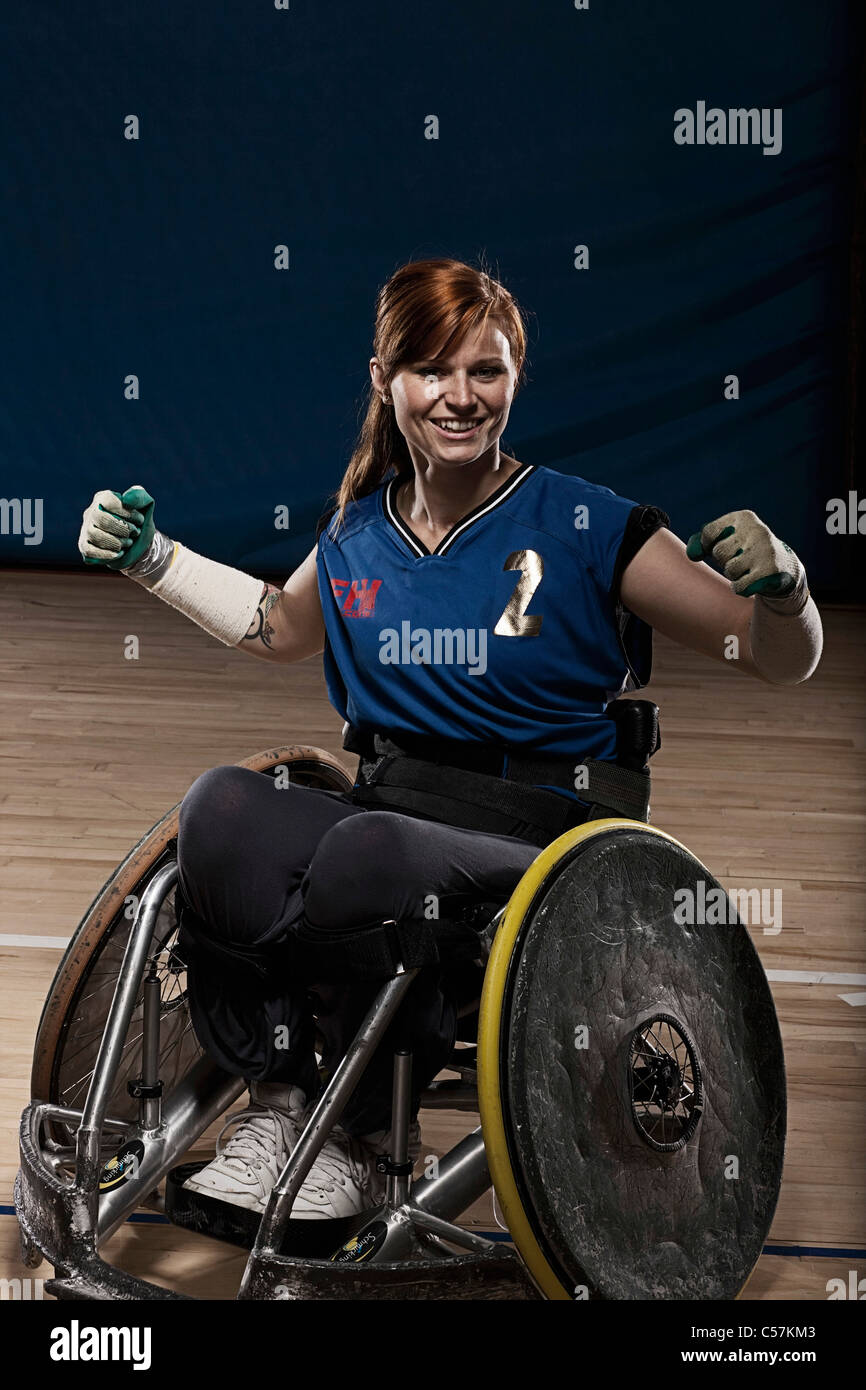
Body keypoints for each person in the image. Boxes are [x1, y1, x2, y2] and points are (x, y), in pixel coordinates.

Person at [77, 256, 822, 1222]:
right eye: (433, 371)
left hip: (544, 837)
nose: (459, 397)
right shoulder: (358, 534)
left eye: (487, 371)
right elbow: (278, 627)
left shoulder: (588, 523)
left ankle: (365, 1138)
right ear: (388, 382)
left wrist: (789, 591)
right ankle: (282, 1100)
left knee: (368, 850)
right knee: (223, 807)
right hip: (391, 813)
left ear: (517, 379)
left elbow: (773, 658)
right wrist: (152, 560)